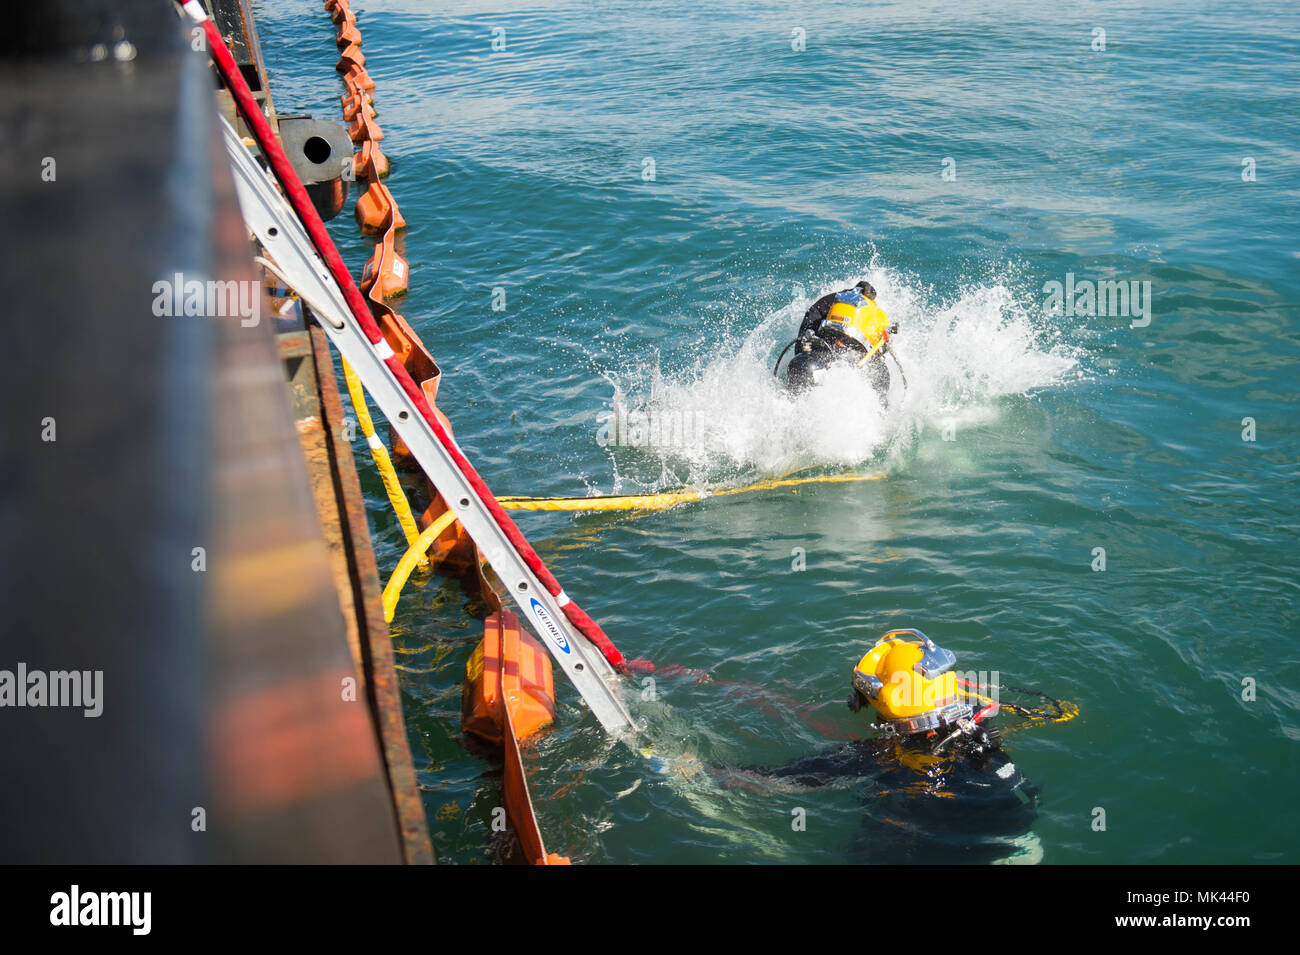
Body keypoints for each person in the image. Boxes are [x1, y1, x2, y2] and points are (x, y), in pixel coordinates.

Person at [716, 629, 1043, 863]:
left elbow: (782, 781)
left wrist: (710, 771)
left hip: (942, 848)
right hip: (1017, 820)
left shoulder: (881, 756)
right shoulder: (975, 720)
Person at [786, 281, 898, 401]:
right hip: (830, 347)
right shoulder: (872, 312)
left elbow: (813, 313)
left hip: (834, 347)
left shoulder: (844, 301)